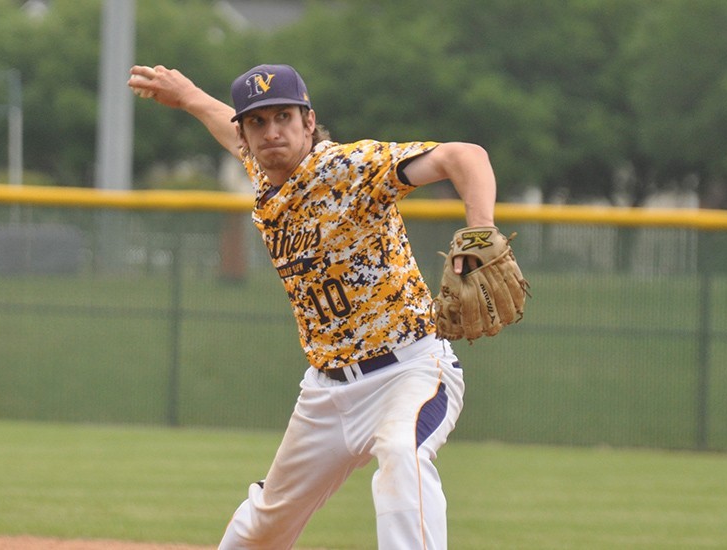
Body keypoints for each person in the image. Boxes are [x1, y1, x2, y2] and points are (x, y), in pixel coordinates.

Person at [129, 63, 503, 550]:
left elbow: (464, 156)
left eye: (283, 116)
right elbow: (227, 124)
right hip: (325, 392)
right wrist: (189, 95)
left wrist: (478, 231)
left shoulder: (352, 168)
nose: (271, 132)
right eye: (257, 123)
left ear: (309, 121)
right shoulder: (262, 170)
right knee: (265, 525)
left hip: (408, 371)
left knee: (400, 453)